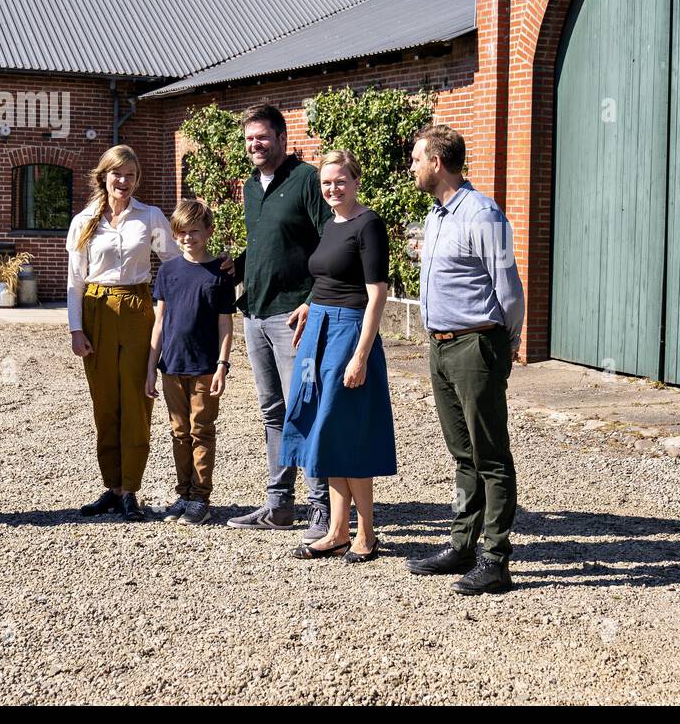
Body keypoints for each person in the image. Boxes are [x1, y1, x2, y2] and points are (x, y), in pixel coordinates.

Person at [405, 125, 525, 595]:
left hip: (476, 346)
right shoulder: (437, 215)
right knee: (463, 454)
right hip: (440, 346)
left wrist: (504, 345)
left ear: (437, 162)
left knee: (490, 455)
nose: (411, 167)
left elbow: (508, 289)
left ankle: (495, 558)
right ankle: (461, 546)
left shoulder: (482, 214)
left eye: (416, 159)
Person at [280, 150, 396, 562]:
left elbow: (376, 294)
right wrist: (311, 304)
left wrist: (361, 356)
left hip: (349, 335)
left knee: (349, 432)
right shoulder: (331, 224)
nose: (333, 188)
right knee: (323, 429)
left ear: (356, 181)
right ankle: (335, 531)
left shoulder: (369, 225)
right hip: (319, 333)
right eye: (327, 182)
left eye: (340, 181)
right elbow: (328, 277)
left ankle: (365, 534)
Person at [225, 104, 333, 541]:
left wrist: (313, 300)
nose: (255, 146)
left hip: (294, 317)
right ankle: (278, 504)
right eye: (250, 139)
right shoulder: (253, 186)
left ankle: (322, 507)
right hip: (255, 313)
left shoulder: (307, 180)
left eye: (263, 138)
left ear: (283, 139)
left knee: (304, 409)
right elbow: (264, 247)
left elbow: (332, 242)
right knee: (272, 411)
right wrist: (226, 270)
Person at [67, 145, 178, 522]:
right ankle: (111, 487)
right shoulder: (84, 221)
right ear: (103, 176)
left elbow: (174, 264)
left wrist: (172, 310)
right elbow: (75, 280)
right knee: (105, 403)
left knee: (136, 399)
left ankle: (131, 487)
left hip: (135, 308)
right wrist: (76, 328)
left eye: (130, 175)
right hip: (95, 309)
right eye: (117, 174)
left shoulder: (150, 217)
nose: (124, 181)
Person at [145, 200, 236, 526]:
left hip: (204, 367)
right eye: (181, 233)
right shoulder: (168, 271)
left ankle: (201, 498)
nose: (187, 238)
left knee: (201, 432)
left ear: (209, 232)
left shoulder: (221, 273)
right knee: (179, 432)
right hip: (171, 366)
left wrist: (223, 365)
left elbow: (226, 325)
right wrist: (150, 370)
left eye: (194, 232)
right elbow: (159, 323)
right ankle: (182, 494)